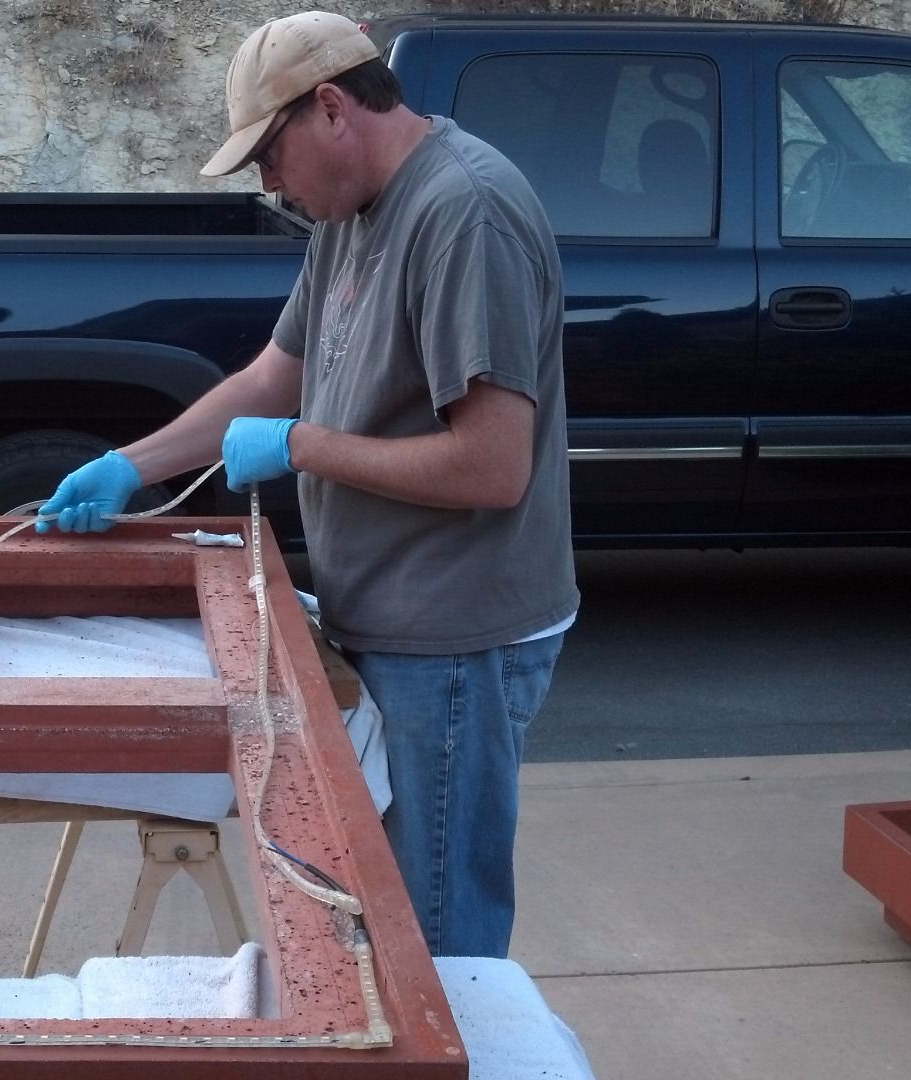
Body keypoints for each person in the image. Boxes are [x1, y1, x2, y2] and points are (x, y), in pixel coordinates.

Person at [34, 11, 578, 959]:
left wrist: (302, 447)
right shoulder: (351, 210)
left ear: (330, 107)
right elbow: (266, 378)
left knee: (434, 945)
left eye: (268, 156)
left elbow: (493, 467)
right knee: (378, 919)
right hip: (389, 617)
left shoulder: (463, 214)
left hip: (455, 638)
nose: (268, 184)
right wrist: (134, 463)